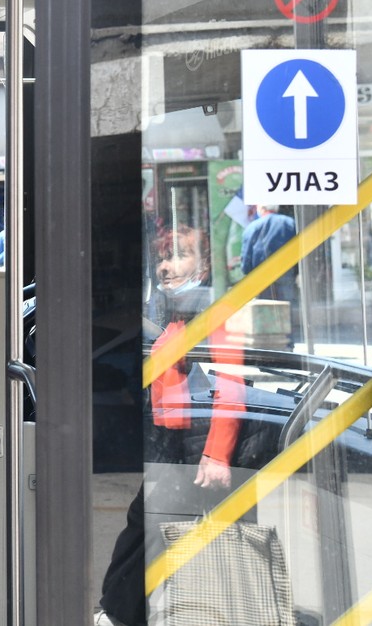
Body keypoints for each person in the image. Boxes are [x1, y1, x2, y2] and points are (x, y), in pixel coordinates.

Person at [97, 225, 244, 626]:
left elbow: (230, 387)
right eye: (162, 257)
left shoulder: (211, 313)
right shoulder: (180, 316)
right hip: (171, 442)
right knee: (147, 528)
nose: (166, 266)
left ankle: (118, 614)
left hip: (192, 447)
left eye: (179, 255)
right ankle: (121, 613)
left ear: (205, 264)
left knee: (147, 530)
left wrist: (216, 455)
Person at [240, 204, 298, 348]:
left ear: (262, 209)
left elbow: (246, 257)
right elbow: (298, 248)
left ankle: (264, 343)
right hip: (285, 274)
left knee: (263, 309)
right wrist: (295, 272)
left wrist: (248, 274)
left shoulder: (252, 227)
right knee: (285, 309)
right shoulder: (290, 223)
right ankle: (287, 343)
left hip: (260, 277)